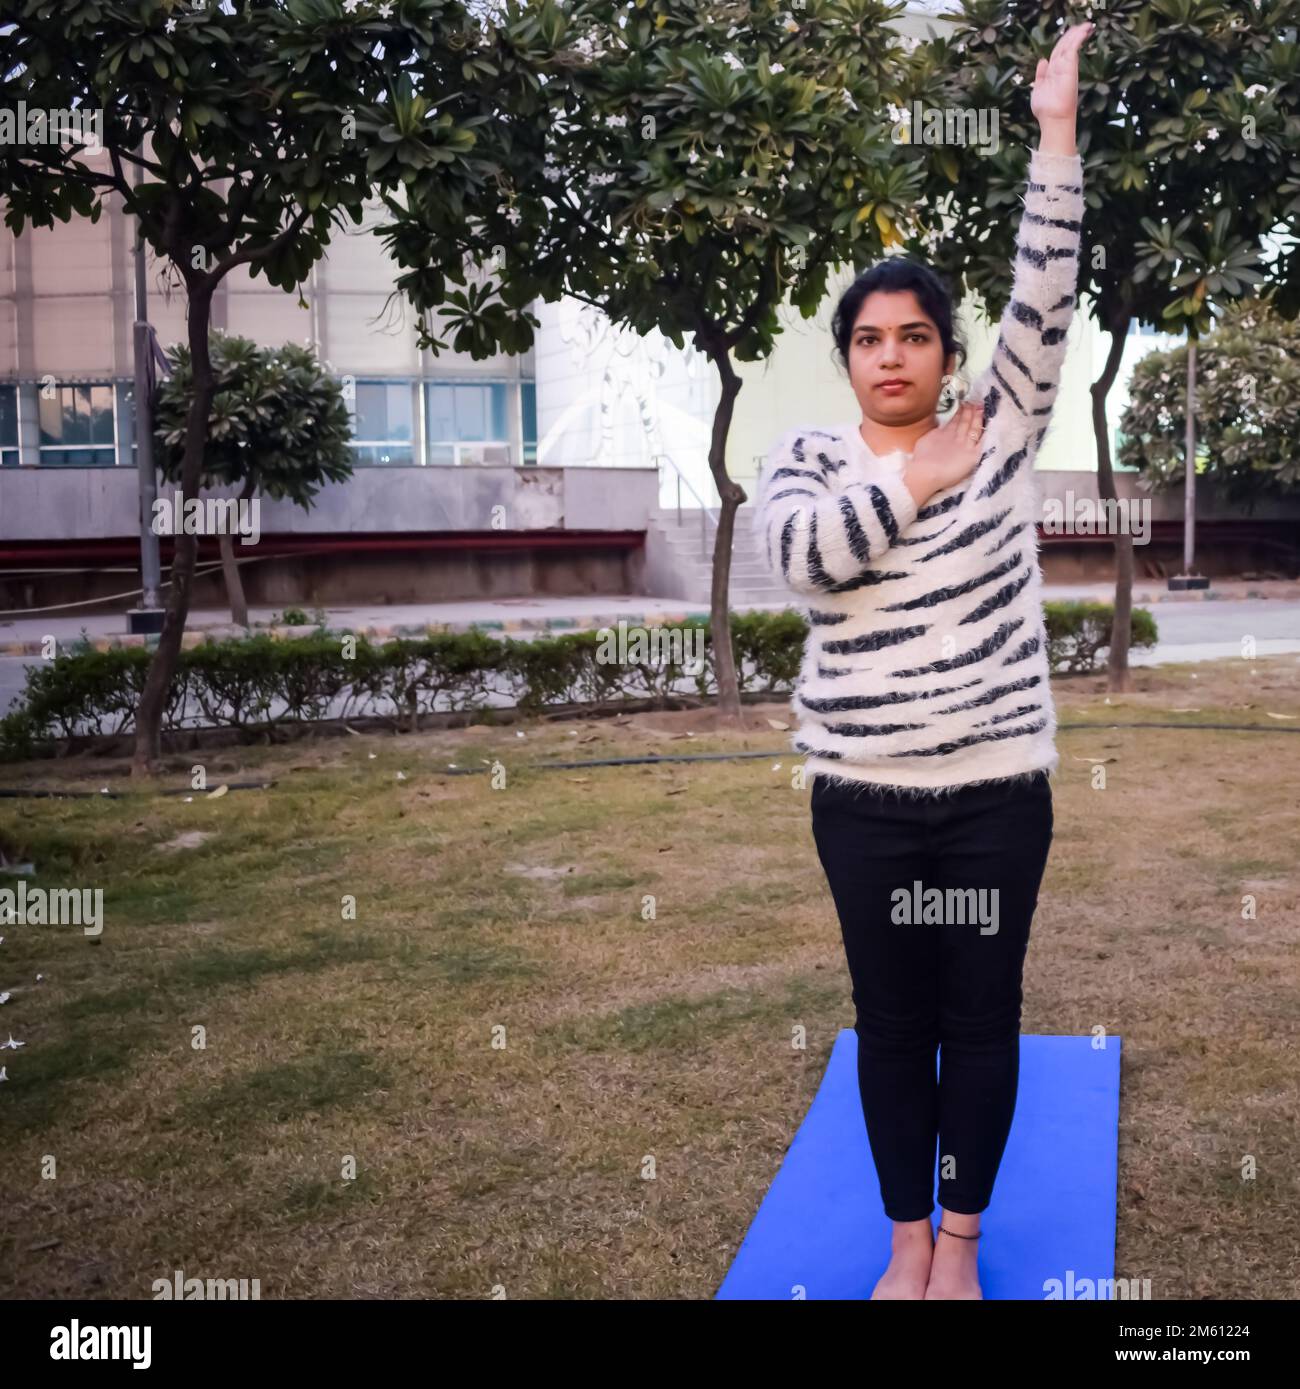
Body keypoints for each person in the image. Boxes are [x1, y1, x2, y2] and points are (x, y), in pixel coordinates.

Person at [752, 21, 1094, 1299]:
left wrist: (1054, 137)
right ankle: (905, 1245)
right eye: (868, 338)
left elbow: (1044, 295)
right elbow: (803, 559)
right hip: (866, 802)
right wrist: (909, 478)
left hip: (998, 795)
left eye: (914, 335)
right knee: (892, 1029)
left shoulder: (998, 433)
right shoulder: (810, 460)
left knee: (980, 1021)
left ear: (948, 354)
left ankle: (960, 1244)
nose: (892, 354)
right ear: (846, 357)